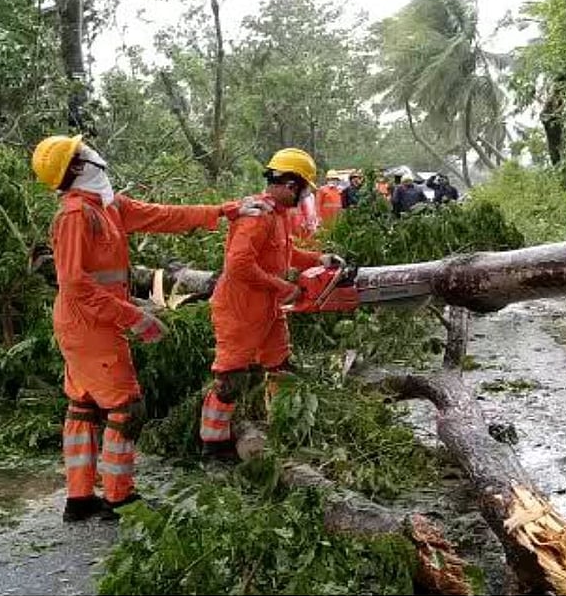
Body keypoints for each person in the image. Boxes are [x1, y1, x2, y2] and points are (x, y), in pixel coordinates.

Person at [31, 134, 272, 522]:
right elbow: (75, 284)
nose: (94, 154)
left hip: (91, 323)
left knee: (84, 405)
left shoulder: (108, 206)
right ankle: (119, 498)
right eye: (84, 152)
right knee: (127, 408)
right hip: (88, 326)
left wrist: (226, 210)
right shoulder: (76, 215)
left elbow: (164, 215)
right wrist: (136, 316)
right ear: (76, 167)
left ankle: (79, 499)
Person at [199, 147, 345, 459]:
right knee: (230, 379)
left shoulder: (279, 216)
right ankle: (213, 445)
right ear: (291, 185)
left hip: (268, 308)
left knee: (281, 368)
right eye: (304, 190)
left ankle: (281, 427)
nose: (304, 197)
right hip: (240, 309)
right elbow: (238, 266)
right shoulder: (257, 217)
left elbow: (283, 255)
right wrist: (283, 287)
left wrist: (318, 259)